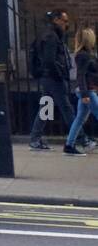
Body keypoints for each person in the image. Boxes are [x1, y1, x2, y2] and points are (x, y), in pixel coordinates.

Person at [29, 9, 76, 151]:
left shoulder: (49, 34)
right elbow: (49, 60)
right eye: (65, 21)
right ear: (56, 20)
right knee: (67, 108)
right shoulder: (51, 36)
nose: (66, 24)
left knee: (46, 107)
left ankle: (35, 139)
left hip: (47, 77)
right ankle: (80, 138)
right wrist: (59, 75)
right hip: (53, 78)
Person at [63, 27, 98, 156]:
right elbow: (81, 75)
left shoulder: (88, 54)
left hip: (88, 90)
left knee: (79, 119)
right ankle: (69, 145)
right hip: (87, 91)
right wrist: (84, 94)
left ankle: (69, 145)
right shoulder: (83, 55)